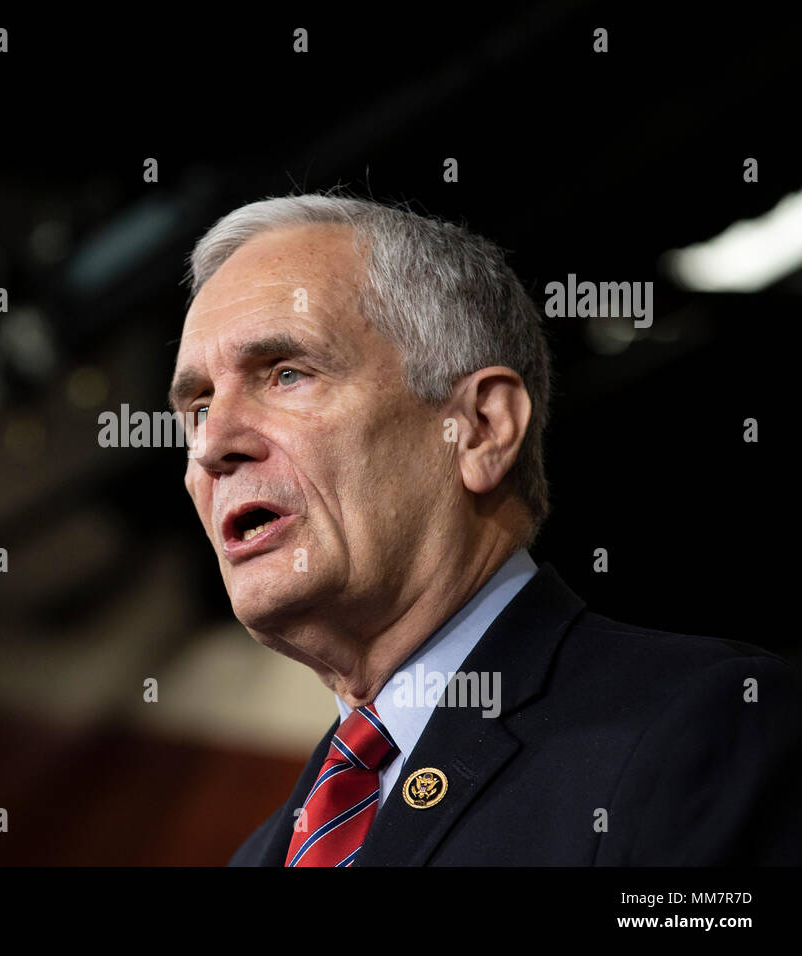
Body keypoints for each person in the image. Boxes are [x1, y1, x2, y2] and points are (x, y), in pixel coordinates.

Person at [167, 193, 802, 865]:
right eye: (199, 408)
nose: (213, 446)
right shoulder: (261, 854)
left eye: (286, 374)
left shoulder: (699, 725)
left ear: (481, 429)